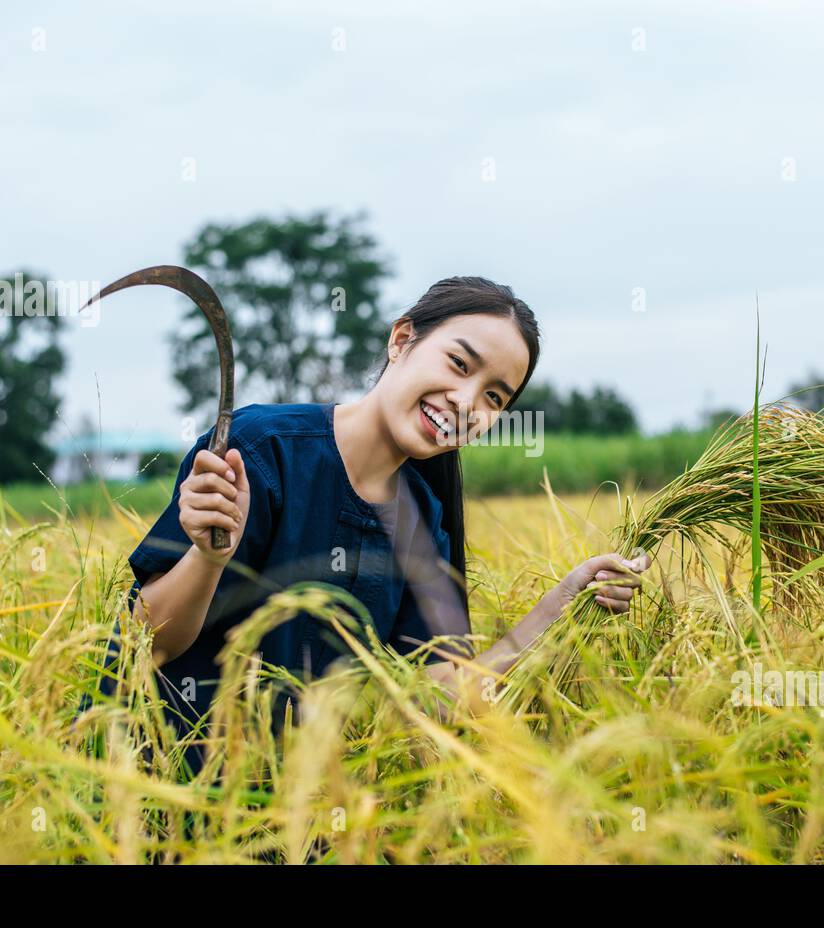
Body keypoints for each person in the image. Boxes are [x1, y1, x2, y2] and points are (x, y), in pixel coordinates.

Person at [88, 276, 651, 777]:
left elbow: (433, 699)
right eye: (459, 364)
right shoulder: (262, 451)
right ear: (402, 339)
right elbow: (144, 643)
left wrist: (560, 602)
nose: (465, 402)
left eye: (494, 397)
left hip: (289, 828)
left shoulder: (423, 527)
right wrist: (208, 559)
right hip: (157, 799)